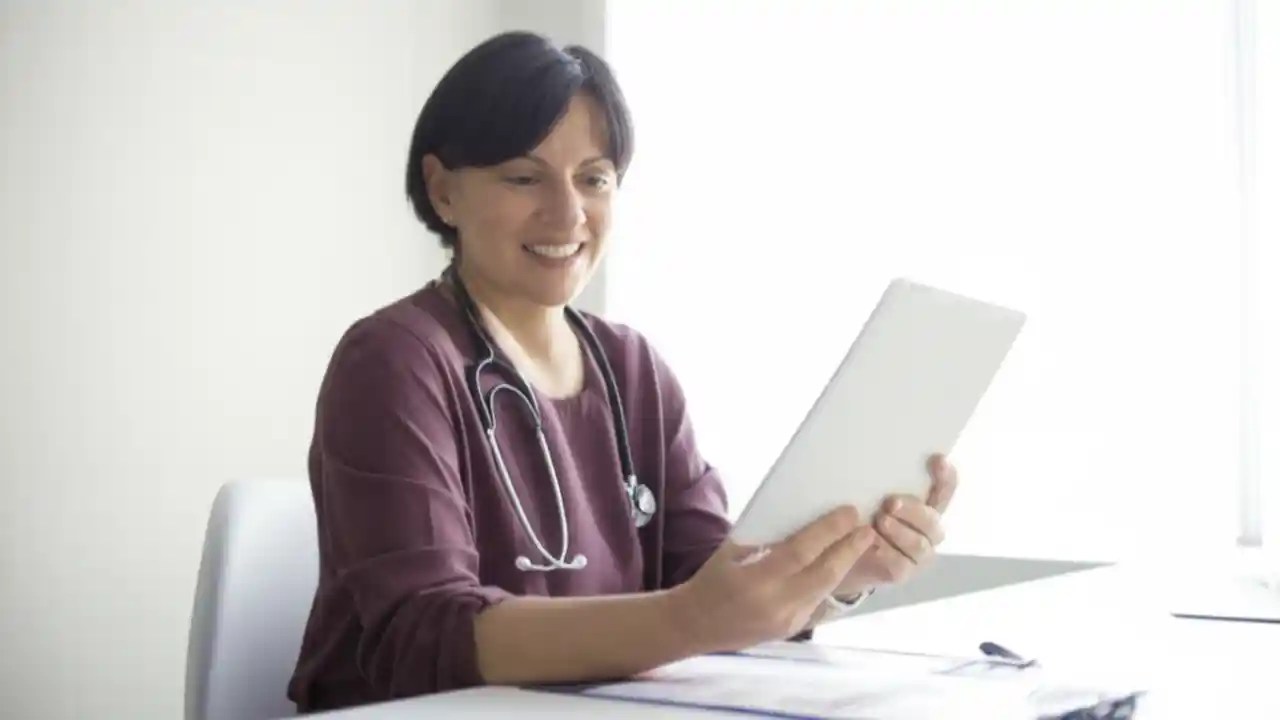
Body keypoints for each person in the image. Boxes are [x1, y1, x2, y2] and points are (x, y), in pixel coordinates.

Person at [286, 30, 958, 713]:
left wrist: (837, 573)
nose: (568, 212)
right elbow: (424, 635)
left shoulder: (633, 370)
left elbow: (706, 578)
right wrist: (690, 617)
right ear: (443, 191)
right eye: (523, 177)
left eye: (594, 178)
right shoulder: (396, 362)